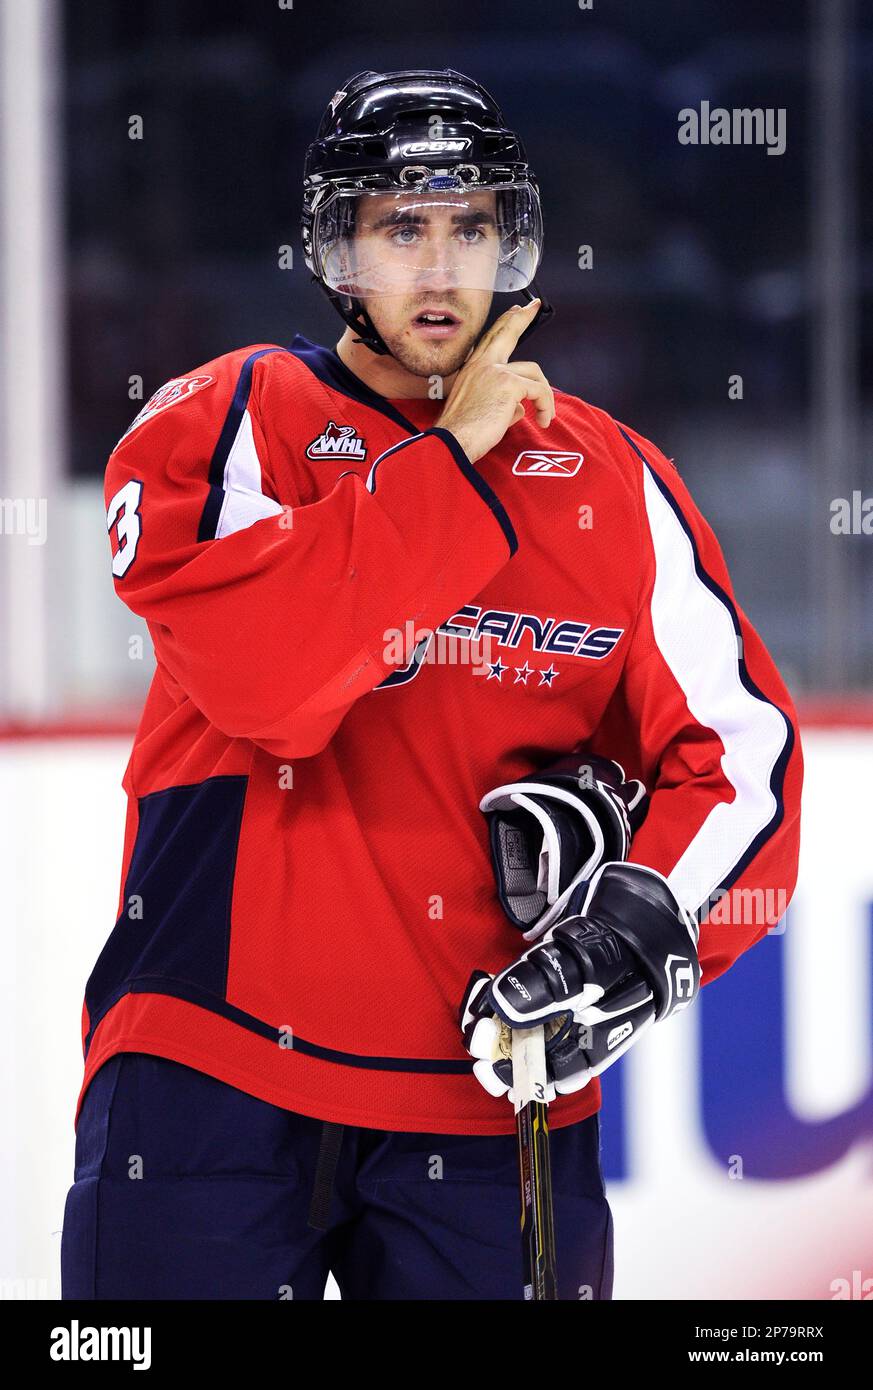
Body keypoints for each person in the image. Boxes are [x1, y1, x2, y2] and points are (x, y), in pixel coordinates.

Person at [62, 68, 803, 1301]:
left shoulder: (611, 480)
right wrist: (454, 455)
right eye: (401, 227)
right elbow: (274, 680)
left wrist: (629, 931)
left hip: (494, 1095)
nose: (442, 265)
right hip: (206, 1082)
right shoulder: (232, 417)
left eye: (471, 225)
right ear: (336, 248)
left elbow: (746, 765)